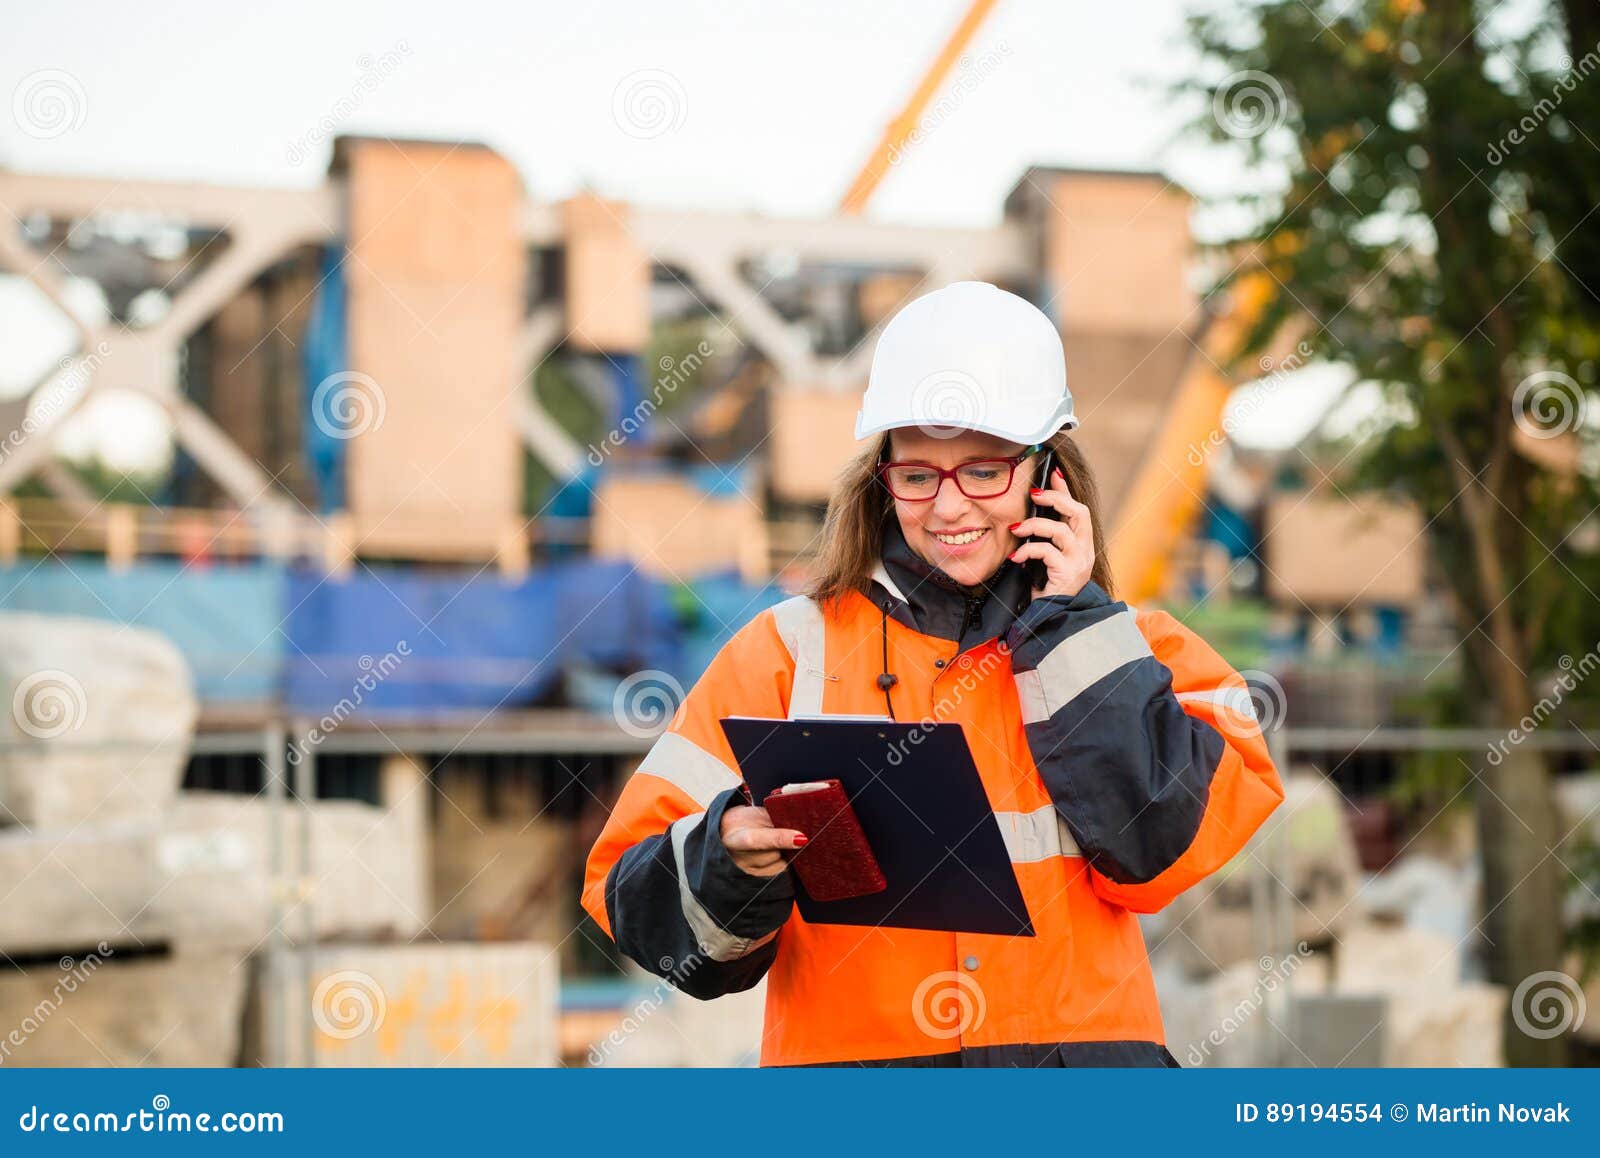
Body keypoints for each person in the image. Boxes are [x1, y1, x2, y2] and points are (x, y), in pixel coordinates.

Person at [582, 281, 1284, 1067]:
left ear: (1048, 473)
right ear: (882, 476)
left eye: (983, 472)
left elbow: (1159, 859)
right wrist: (724, 858)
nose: (948, 509)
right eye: (918, 475)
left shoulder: (1136, 651)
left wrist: (1073, 630)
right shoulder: (784, 653)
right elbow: (626, 892)